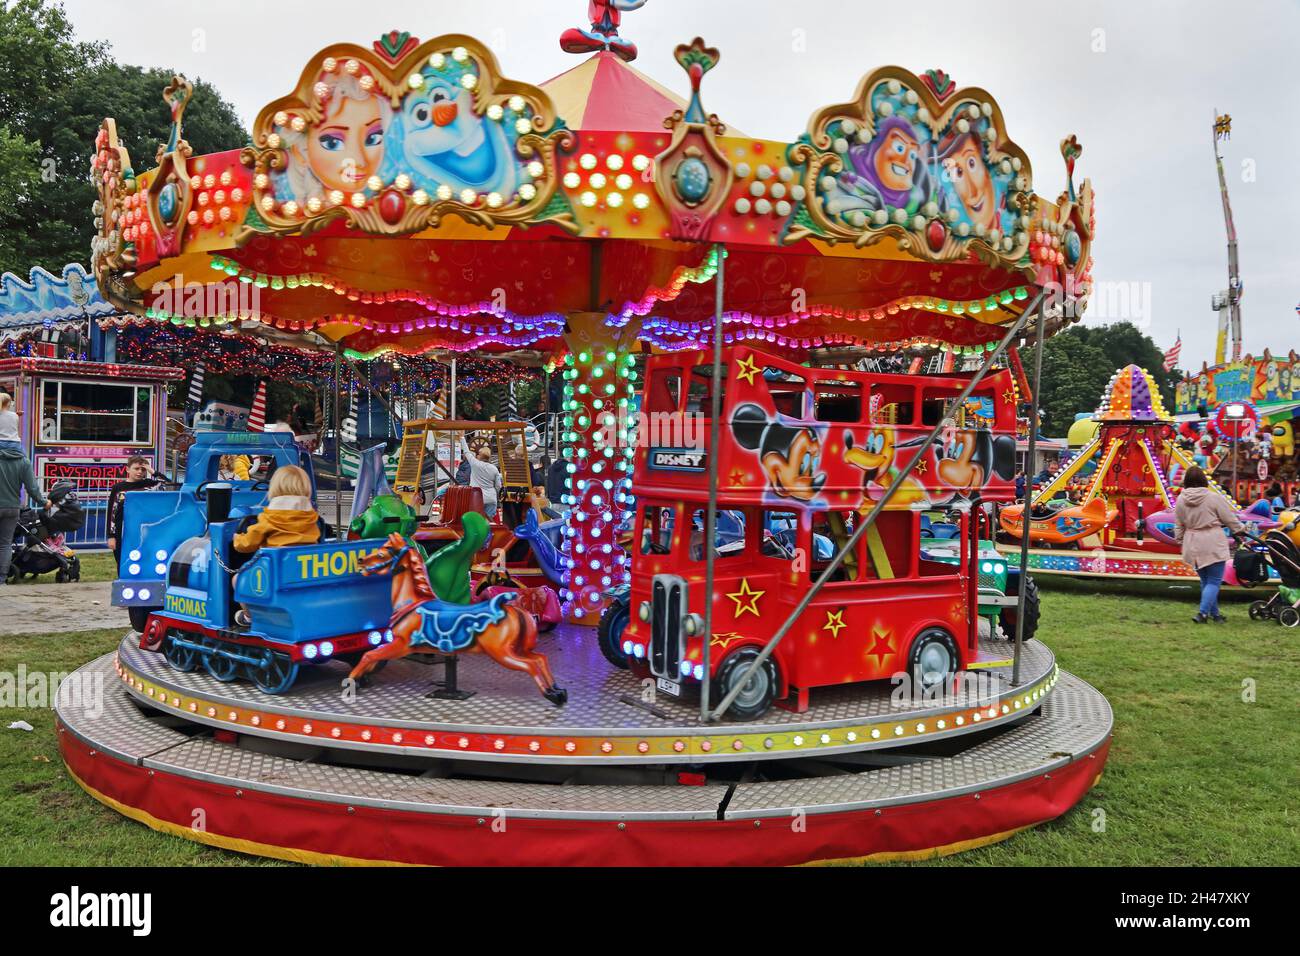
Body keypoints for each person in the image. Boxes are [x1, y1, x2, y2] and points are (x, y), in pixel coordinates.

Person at [232, 465, 321, 626]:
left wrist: (237, 538)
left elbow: (247, 544)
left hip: (274, 575)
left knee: (238, 579)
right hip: (304, 572)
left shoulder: (270, 517)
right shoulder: (311, 517)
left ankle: (249, 617)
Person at [1174, 465, 1244, 624]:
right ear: (1203, 480)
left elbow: (1178, 524)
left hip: (1192, 541)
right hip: (1212, 540)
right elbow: (1228, 518)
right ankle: (1202, 613)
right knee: (1214, 581)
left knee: (1206, 581)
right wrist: (1241, 530)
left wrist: (1180, 540)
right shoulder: (1213, 497)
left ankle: (1216, 615)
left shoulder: (1181, 499)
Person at [0, 440, 46, 583]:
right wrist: (44, 502)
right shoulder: (23, 461)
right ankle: (1, 578)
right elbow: (32, 488)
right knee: (5, 544)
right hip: (13, 508)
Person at [106, 456, 165, 563]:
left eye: (143, 469)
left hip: (145, 531)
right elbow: (112, 512)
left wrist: (152, 471)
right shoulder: (118, 487)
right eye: (136, 468)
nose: (140, 472)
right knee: (123, 562)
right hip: (122, 532)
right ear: (128, 469)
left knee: (144, 562)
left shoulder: (151, 485)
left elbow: (168, 484)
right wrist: (111, 536)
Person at [459, 436, 503, 518]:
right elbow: (498, 486)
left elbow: (466, 452)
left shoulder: (475, 464)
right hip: (491, 498)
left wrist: (462, 437)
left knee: (476, 521)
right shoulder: (494, 468)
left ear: (479, 456)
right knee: (489, 522)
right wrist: (496, 494)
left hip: (477, 498)